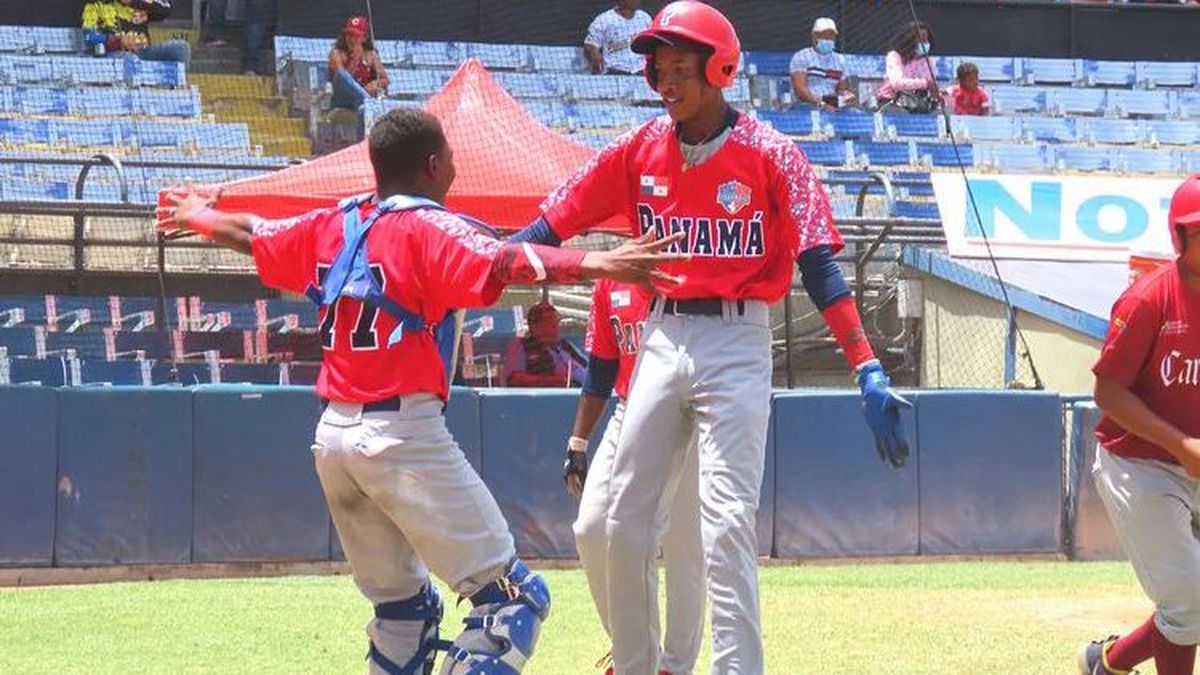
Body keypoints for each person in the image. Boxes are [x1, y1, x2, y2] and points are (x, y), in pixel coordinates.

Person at [160, 107, 686, 675]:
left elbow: (253, 233)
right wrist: (598, 260)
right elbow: (505, 260)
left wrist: (199, 215)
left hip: (333, 442)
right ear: (433, 165)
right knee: (514, 600)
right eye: (451, 158)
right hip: (402, 435)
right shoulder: (429, 225)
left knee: (403, 615)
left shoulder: (337, 223)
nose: (455, 167)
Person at [510, 2, 911, 672]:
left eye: (679, 66)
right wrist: (478, 258)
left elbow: (818, 265)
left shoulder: (773, 154)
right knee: (617, 522)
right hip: (662, 333)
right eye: (657, 67)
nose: (665, 79)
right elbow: (549, 225)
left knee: (725, 526)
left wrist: (865, 364)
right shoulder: (637, 150)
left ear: (719, 67)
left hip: (737, 340)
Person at [1078, 175, 1200, 675]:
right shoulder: (1149, 299)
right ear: (1180, 237)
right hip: (1140, 463)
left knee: (1190, 600)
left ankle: (1106, 663)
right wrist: (1183, 446)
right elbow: (1107, 393)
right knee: (1189, 599)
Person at [565, 278, 704, 675]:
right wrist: (578, 441)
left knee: (683, 546)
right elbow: (600, 368)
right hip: (630, 410)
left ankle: (675, 666)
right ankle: (634, 647)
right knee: (591, 527)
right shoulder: (610, 278)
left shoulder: (689, 266)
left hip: (690, 410)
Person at [503, 302, 587, 387]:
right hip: (551, 396)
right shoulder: (521, 345)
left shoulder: (565, 345)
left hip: (585, 392)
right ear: (534, 326)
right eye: (551, 322)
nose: (556, 327)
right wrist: (551, 381)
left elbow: (587, 365)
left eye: (556, 322)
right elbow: (514, 379)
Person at [82, 0, 190, 64]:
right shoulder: (95, 4)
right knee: (130, 59)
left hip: (144, 51)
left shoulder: (140, 3)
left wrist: (133, 1)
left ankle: (175, 95)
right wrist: (117, 41)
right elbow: (88, 37)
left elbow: (166, 8)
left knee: (181, 48)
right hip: (116, 54)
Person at [789, 17, 856, 111]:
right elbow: (800, 90)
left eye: (831, 36)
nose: (828, 39)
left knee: (854, 113)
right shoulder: (802, 56)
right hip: (807, 105)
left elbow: (841, 90)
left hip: (832, 105)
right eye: (824, 36)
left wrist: (845, 98)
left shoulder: (840, 60)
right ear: (814, 36)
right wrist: (821, 103)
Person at [876, 20, 939, 113]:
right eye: (921, 39)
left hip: (919, 101)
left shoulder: (928, 61)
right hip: (893, 100)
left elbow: (931, 84)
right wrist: (925, 83)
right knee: (902, 113)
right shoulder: (895, 56)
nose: (925, 43)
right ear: (910, 40)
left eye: (926, 40)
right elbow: (897, 83)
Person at [584, 0, 653, 75]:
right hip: (614, 72)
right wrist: (595, 55)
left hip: (641, 72)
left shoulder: (645, 18)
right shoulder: (605, 19)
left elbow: (653, 43)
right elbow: (590, 45)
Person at [329, 15, 390, 98]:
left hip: (364, 99)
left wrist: (375, 83)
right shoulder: (337, 53)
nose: (351, 39)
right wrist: (356, 58)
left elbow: (385, 79)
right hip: (342, 100)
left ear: (364, 38)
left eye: (356, 35)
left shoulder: (371, 55)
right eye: (349, 34)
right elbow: (343, 81)